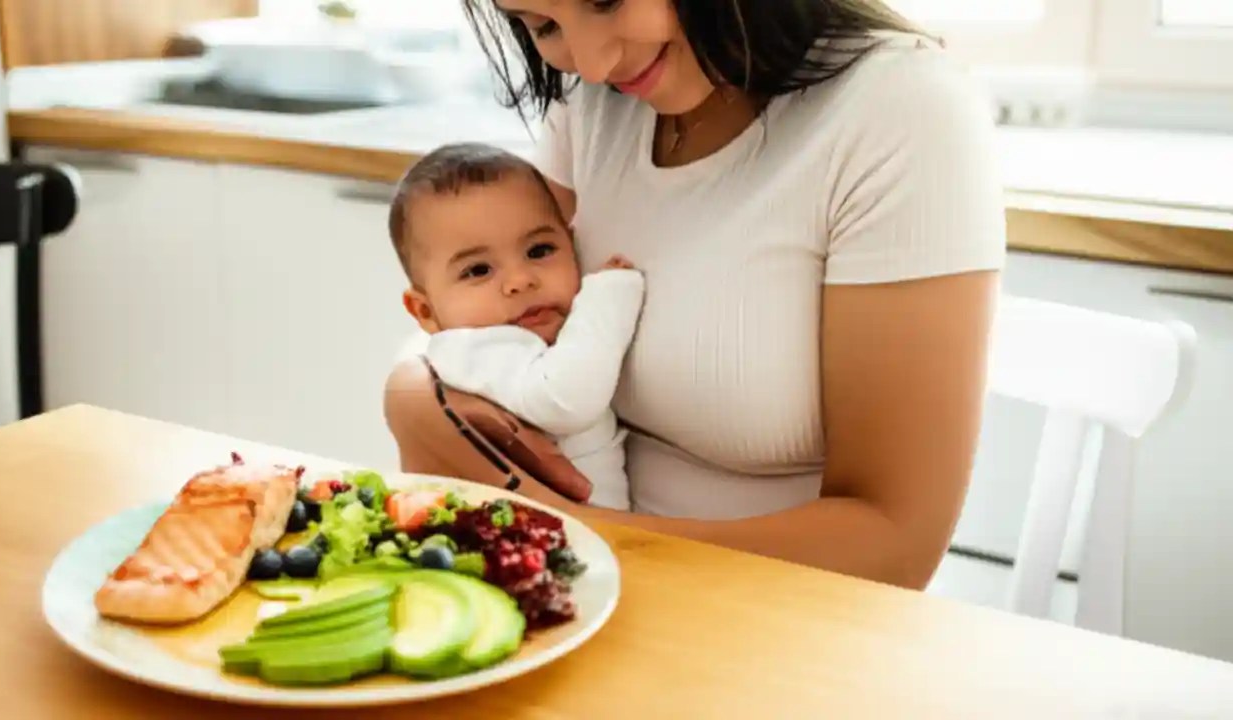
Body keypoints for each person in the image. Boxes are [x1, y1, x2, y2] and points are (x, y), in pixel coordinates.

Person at [384, 0, 1006, 591]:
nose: (593, 63)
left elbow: (892, 548)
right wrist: (410, 393)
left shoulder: (900, 110)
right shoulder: (598, 99)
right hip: (588, 589)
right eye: (543, 24)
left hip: (777, 625)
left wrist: (572, 536)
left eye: (607, 1)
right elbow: (493, 304)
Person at [388, 143, 645, 511]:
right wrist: (610, 296)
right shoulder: (473, 348)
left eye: (539, 250)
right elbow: (565, 401)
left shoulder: (533, 330)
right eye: (478, 270)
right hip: (545, 544)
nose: (520, 280)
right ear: (425, 312)